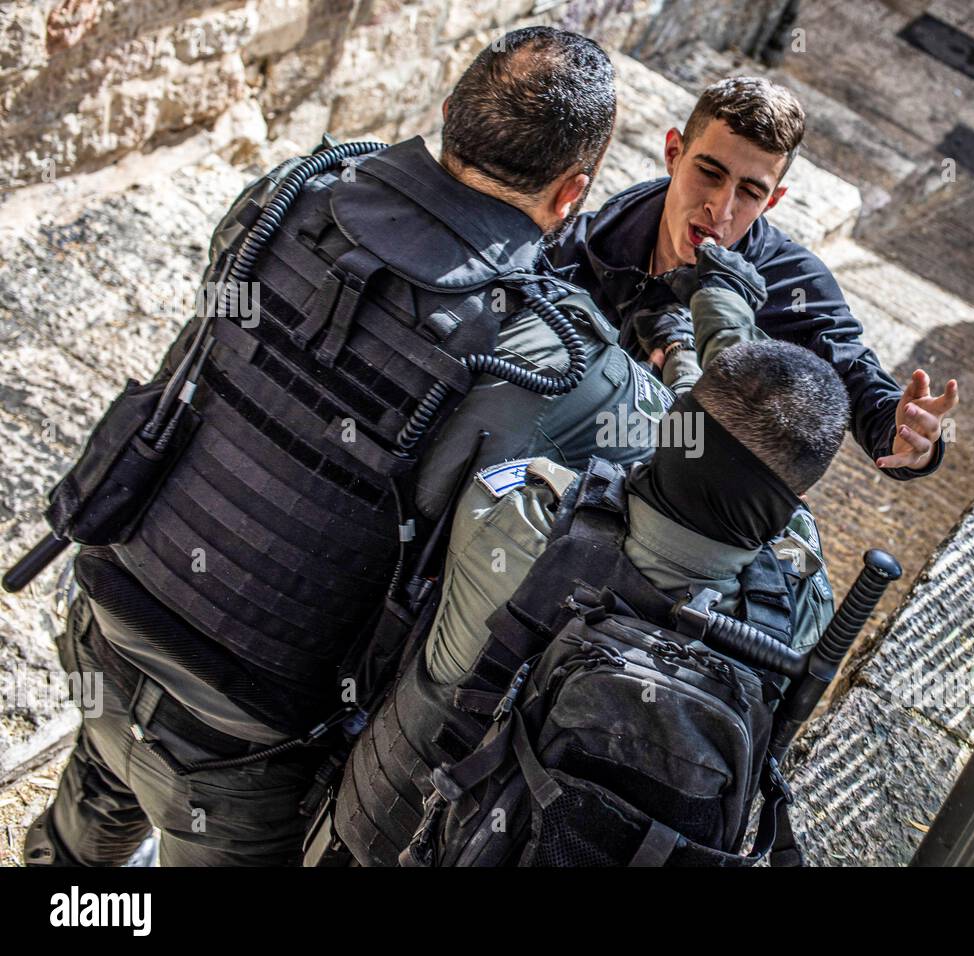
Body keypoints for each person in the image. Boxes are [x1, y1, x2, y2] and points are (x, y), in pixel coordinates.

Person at [24, 26, 652, 867]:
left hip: (113, 615)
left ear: (448, 115)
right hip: (248, 741)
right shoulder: (547, 358)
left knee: (78, 852)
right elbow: (654, 447)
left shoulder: (294, 194)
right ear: (573, 193)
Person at [332, 337, 844, 866]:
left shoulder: (514, 515)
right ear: (793, 502)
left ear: (676, 424)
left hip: (391, 842)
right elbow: (783, 523)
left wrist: (684, 353)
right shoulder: (793, 631)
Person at [552, 75, 959, 478]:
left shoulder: (791, 282)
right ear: (673, 153)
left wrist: (901, 431)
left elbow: (851, 372)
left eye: (749, 192)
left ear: (773, 201)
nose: (720, 207)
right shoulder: (584, 241)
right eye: (710, 173)